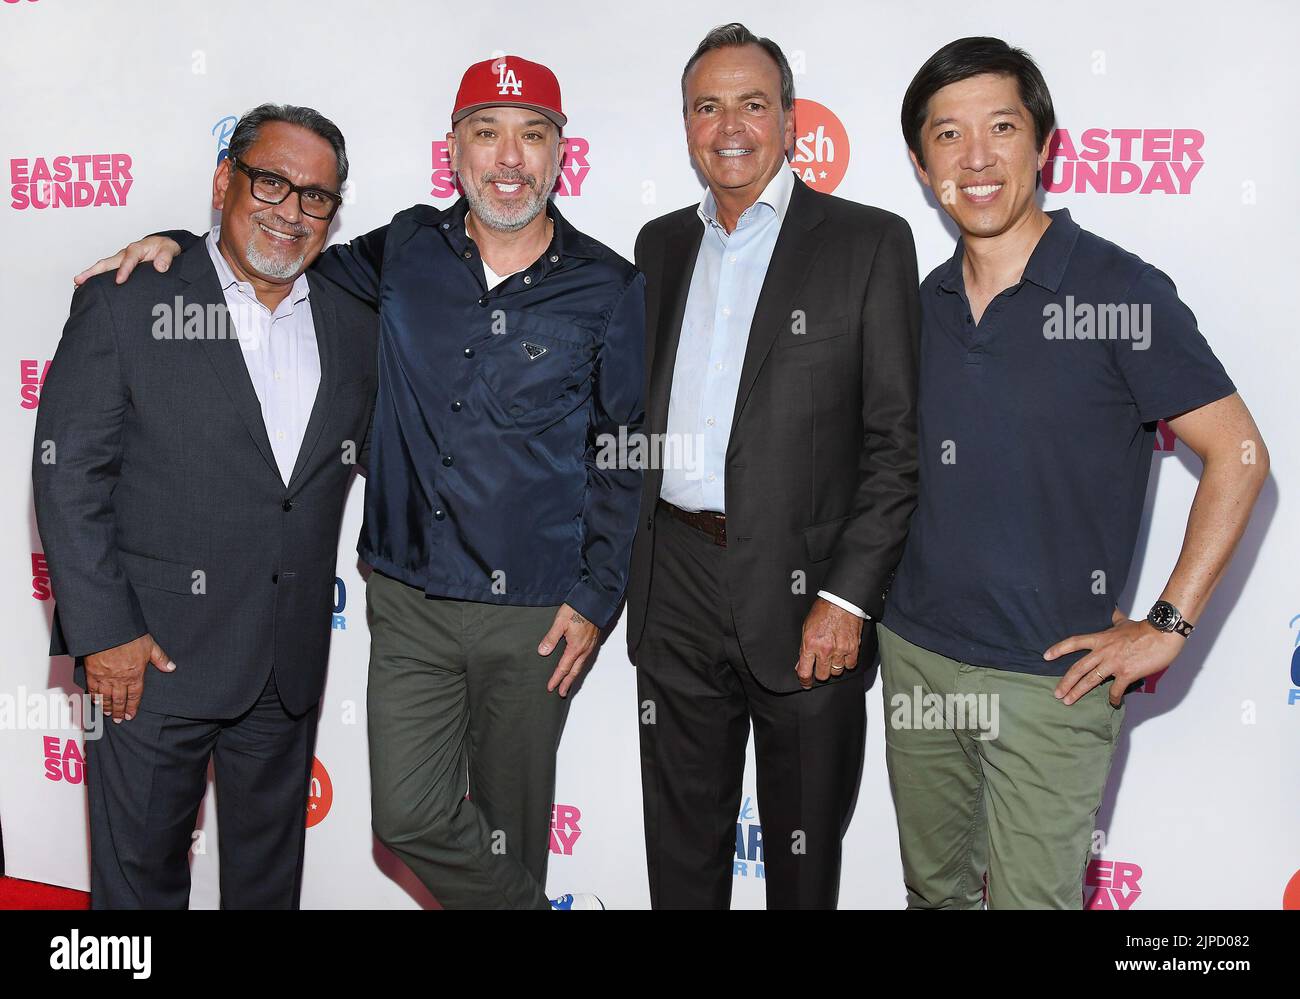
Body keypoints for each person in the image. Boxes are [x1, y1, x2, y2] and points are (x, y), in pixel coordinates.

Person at [80, 57, 644, 910]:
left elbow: (624, 446)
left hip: (536, 612)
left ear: (561, 153)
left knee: (510, 834)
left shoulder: (609, 282)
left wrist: (598, 593)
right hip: (410, 600)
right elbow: (274, 249)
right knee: (409, 817)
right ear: (452, 151)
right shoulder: (405, 248)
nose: (509, 158)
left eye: (532, 135)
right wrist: (175, 247)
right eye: (486, 133)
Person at [880, 36, 1269, 908]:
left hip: (1051, 681)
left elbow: (1240, 454)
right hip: (917, 658)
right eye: (948, 135)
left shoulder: (1119, 291)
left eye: (1002, 127)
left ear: (1044, 145)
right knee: (934, 895)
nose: (976, 158)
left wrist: (1168, 623)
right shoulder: (917, 302)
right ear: (921, 164)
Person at [36, 104, 378, 908]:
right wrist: (104, 633)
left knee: (268, 890)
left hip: (285, 668)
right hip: (148, 664)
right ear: (225, 181)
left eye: (316, 196)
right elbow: (67, 476)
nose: (291, 210)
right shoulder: (128, 300)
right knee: (138, 892)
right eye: (271, 182)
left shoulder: (353, 324)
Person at [626, 23, 920, 908]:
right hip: (674, 584)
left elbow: (896, 444)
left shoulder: (869, 241)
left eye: (752, 104)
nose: (729, 127)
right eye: (706, 107)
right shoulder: (658, 245)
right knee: (681, 857)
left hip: (808, 598)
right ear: (686, 124)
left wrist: (847, 599)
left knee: (801, 865)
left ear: (791, 120)